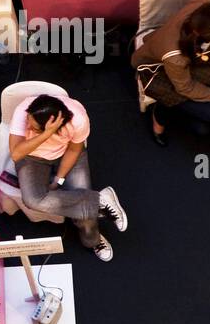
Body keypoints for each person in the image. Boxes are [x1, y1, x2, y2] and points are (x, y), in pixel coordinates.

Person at [9, 93, 127, 262]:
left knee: (82, 204)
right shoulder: (24, 111)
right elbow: (16, 153)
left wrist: (59, 179)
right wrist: (44, 134)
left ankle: (92, 240)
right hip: (32, 157)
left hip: (67, 152)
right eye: (28, 121)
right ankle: (100, 200)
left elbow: (73, 150)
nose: (27, 125)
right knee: (32, 199)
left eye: (33, 127)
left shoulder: (78, 118)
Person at [134, 0, 210, 149]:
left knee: (202, 128)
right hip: (156, 69)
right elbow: (185, 88)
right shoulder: (176, 57)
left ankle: (163, 113)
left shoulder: (201, 7)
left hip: (180, 67)